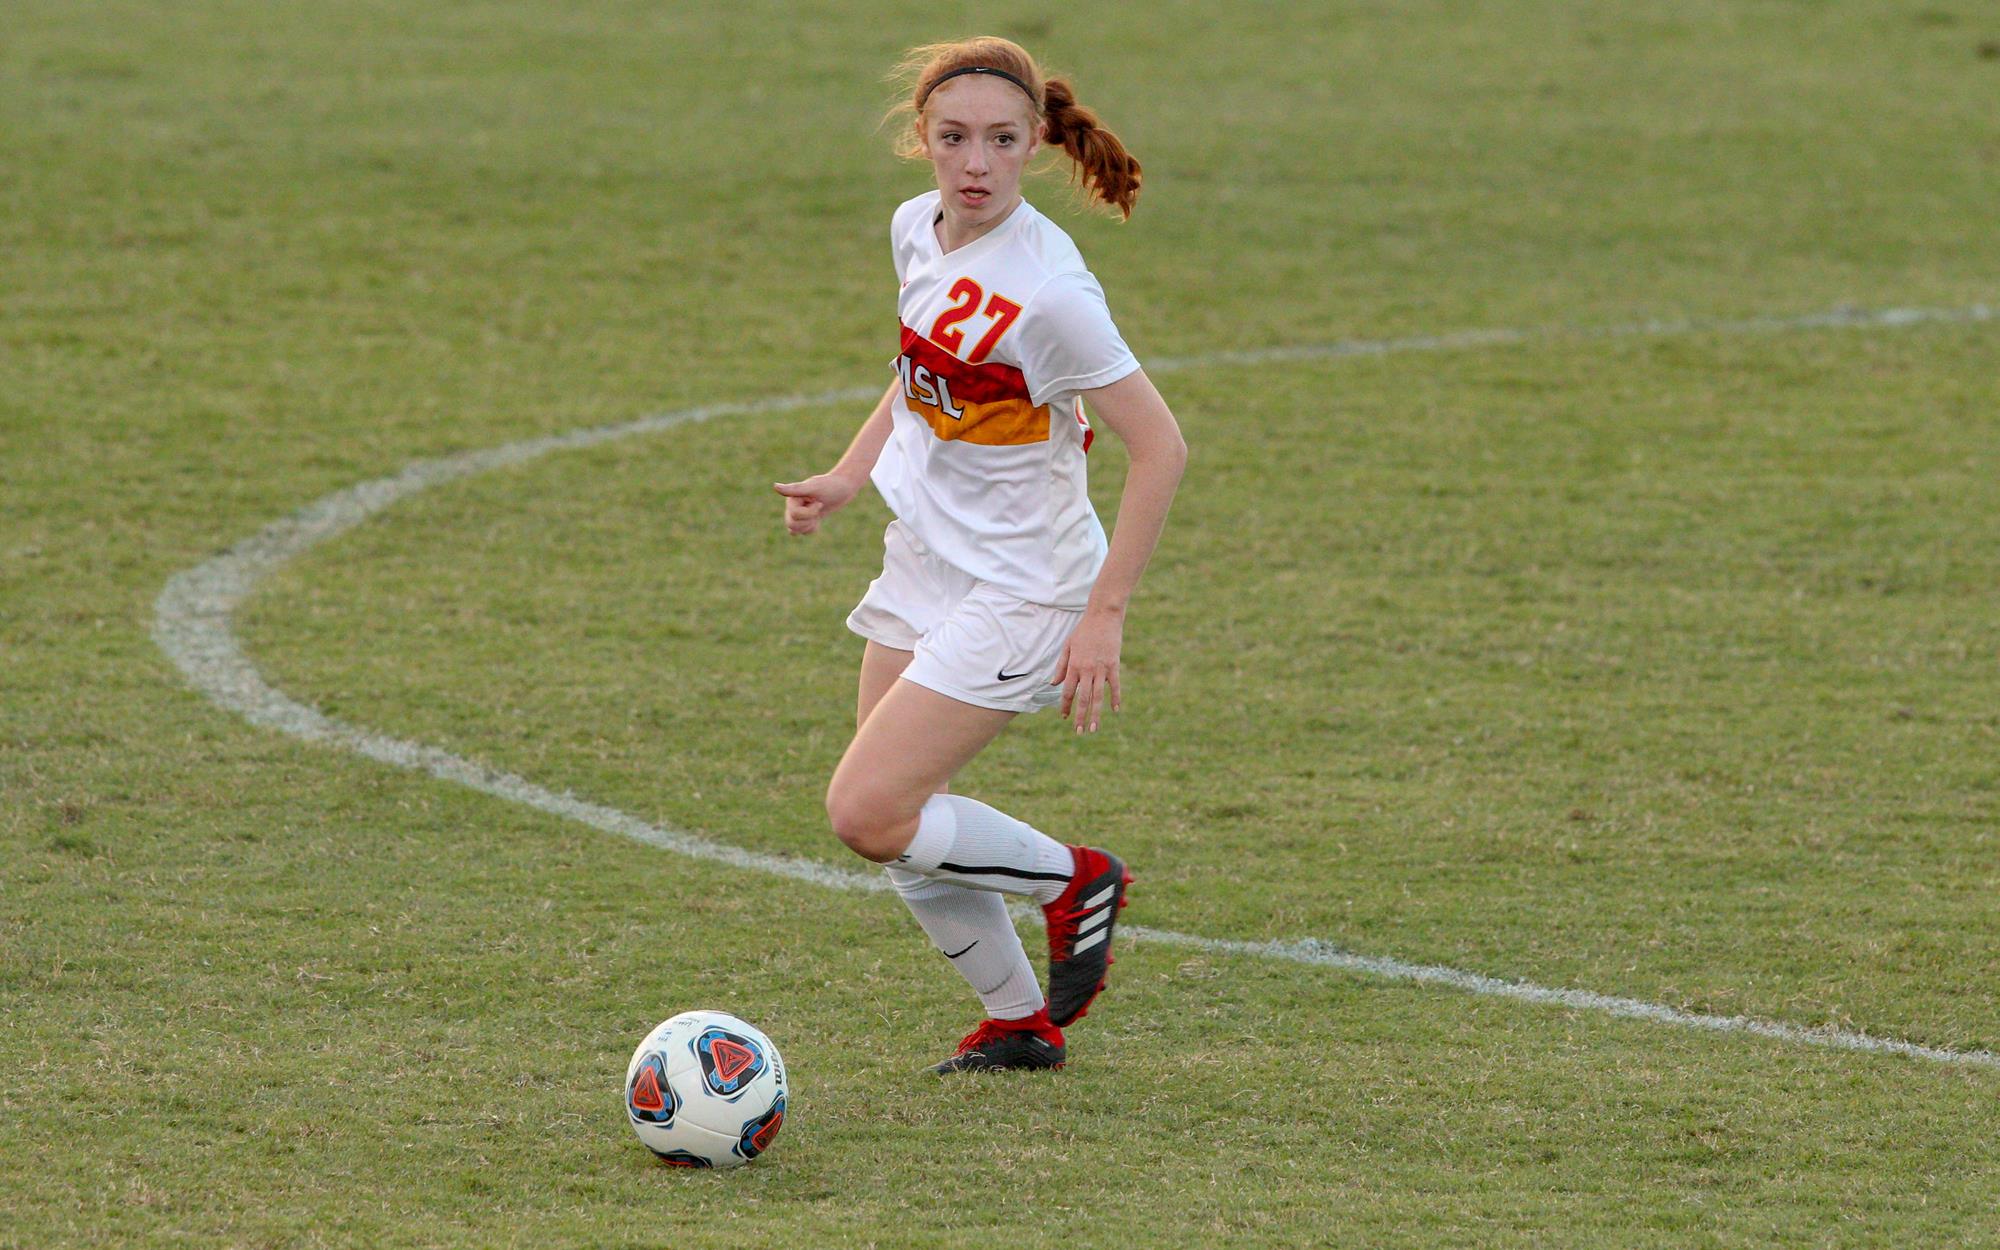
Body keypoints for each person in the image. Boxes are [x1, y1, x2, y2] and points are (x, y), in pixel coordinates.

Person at [773, 36, 1187, 1073]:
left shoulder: (1050, 295)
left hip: (1025, 586)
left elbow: (1161, 446)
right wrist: (847, 470)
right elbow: (915, 367)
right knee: (907, 817)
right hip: (925, 557)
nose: (974, 163)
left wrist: (1103, 611)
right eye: (953, 138)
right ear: (921, 140)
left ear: (1035, 143)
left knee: (868, 810)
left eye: (1000, 142)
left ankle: (1074, 878)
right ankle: (1016, 1023)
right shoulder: (916, 226)